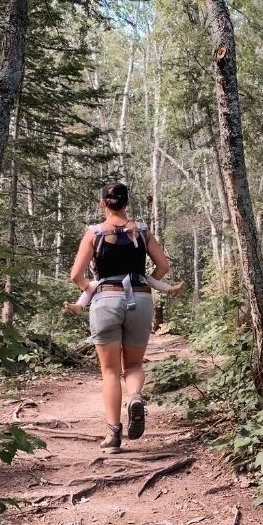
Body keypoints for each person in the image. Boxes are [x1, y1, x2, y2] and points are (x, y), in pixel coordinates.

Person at [68, 183, 170, 453]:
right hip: (140, 298)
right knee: (134, 364)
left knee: (110, 371)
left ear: (103, 203)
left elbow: (76, 275)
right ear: (126, 203)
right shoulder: (143, 231)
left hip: (106, 300)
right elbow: (163, 265)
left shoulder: (94, 233)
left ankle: (113, 435)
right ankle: (134, 396)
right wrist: (147, 281)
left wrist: (89, 288)